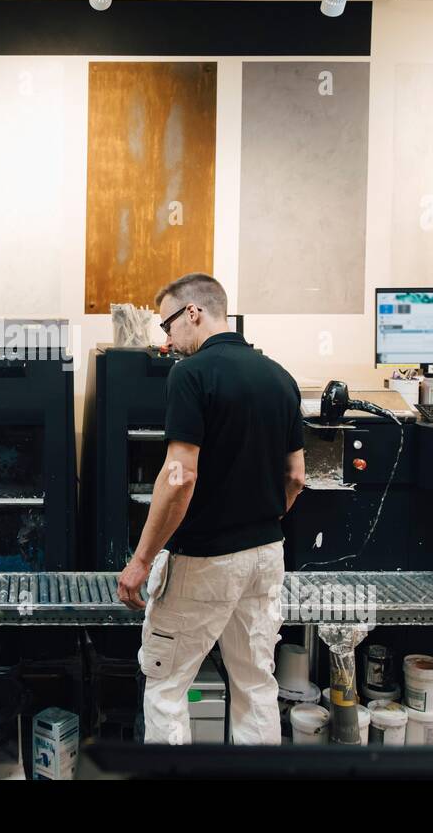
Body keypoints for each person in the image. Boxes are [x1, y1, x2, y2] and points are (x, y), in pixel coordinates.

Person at [117, 273, 305, 746]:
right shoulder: (280, 377)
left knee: (166, 685)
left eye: (166, 325)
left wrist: (141, 561)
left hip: (205, 561)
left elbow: (180, 477)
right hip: (266, 556)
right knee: (256, 684)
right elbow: (297, 477)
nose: (166, 340)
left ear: (194, 313)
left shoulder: (191, 375)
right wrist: (260, 519)